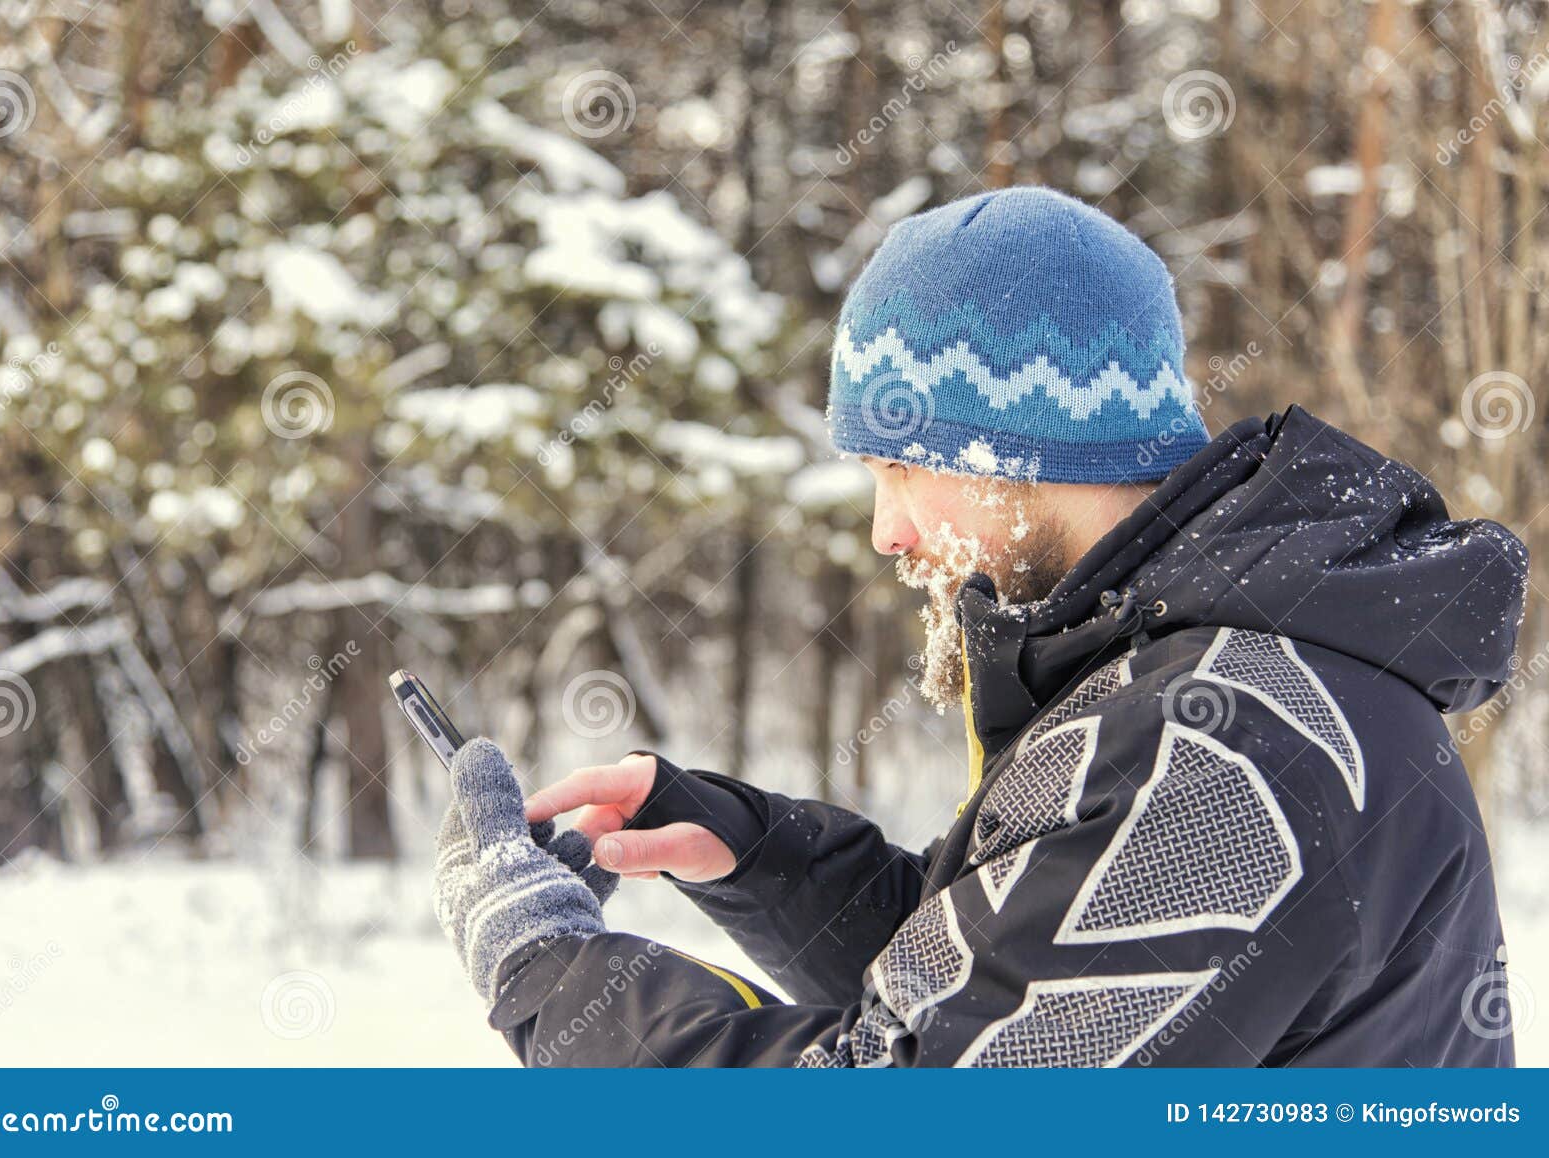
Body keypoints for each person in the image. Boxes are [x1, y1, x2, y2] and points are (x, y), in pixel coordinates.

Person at [433, 187, 1526, 1067]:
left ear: (1024, 443)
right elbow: (1028, 994)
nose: (884, 532)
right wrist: (765, 861)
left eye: (898, 468)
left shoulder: (1220, 740)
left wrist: (549, 975)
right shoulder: (1210, 678)